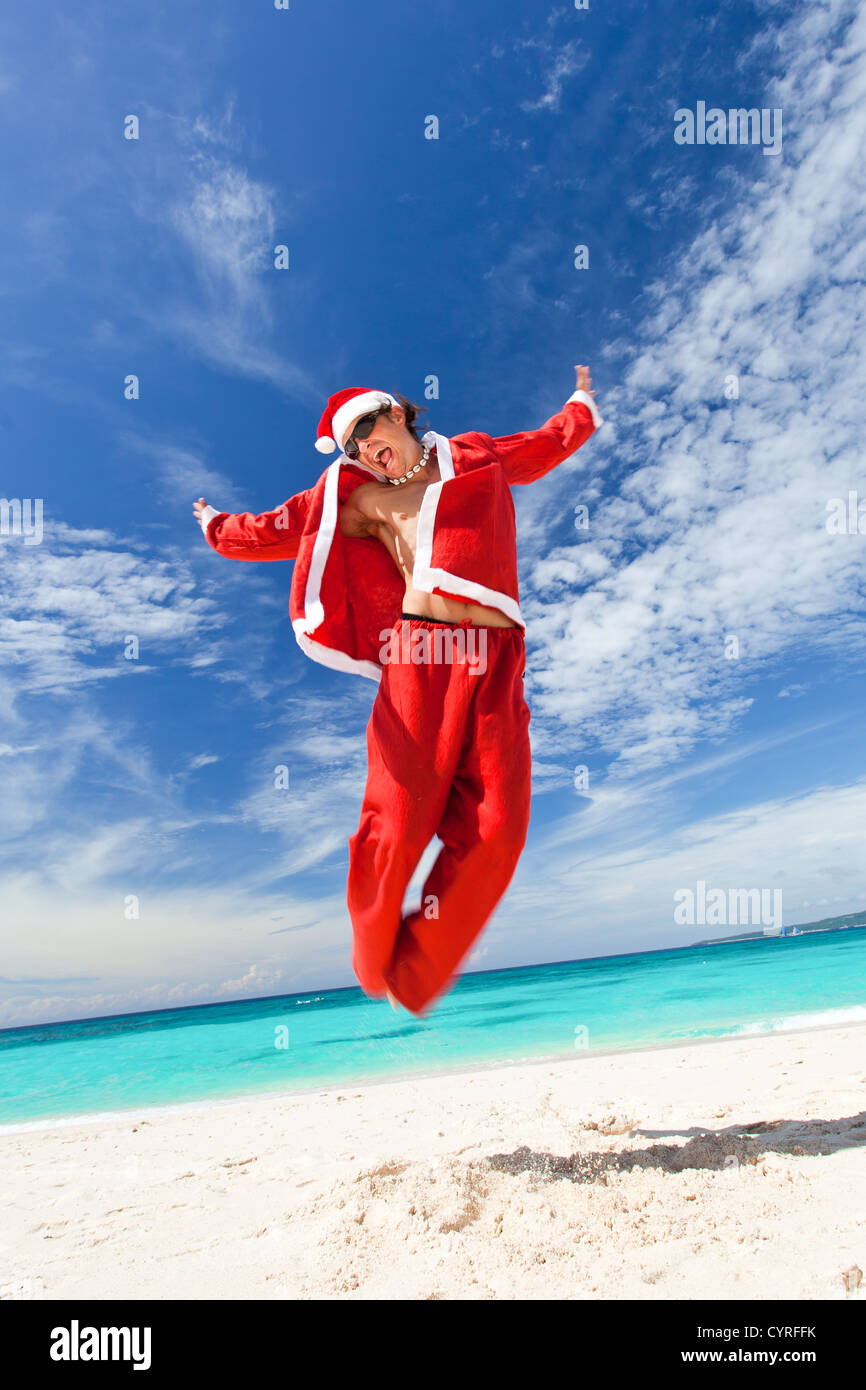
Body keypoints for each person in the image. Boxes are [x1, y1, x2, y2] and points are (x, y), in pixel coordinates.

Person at [193, 367, 602, 1014]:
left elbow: (546, 444)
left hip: (498, 656)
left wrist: (580, 402)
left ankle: (415, 975)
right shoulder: (353, 497)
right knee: (402, 814)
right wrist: (217, 523)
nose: (360, 449)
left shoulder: (473, 455)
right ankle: (373, 947)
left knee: (498, 827)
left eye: (363, 431)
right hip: (423, 653)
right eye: (348, 445)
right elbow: (274, 528)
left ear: (396, 415)